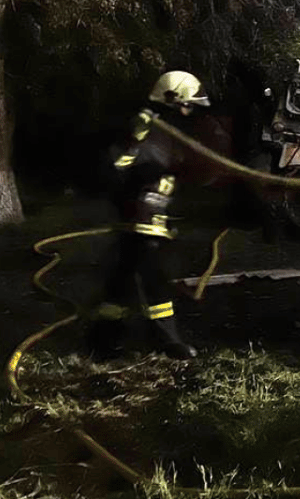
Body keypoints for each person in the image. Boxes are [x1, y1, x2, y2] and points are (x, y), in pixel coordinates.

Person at [87, 71, 210, 361]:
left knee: (123, 281)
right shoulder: (144, 127)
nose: (190, 111)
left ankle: (102, 339)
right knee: (155, 281)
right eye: (188, 104)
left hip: (148, 219)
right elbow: (118, 166)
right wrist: (135, 143)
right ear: (171, 98)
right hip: (140, 220)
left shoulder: (165, 129)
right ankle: (166, 341)